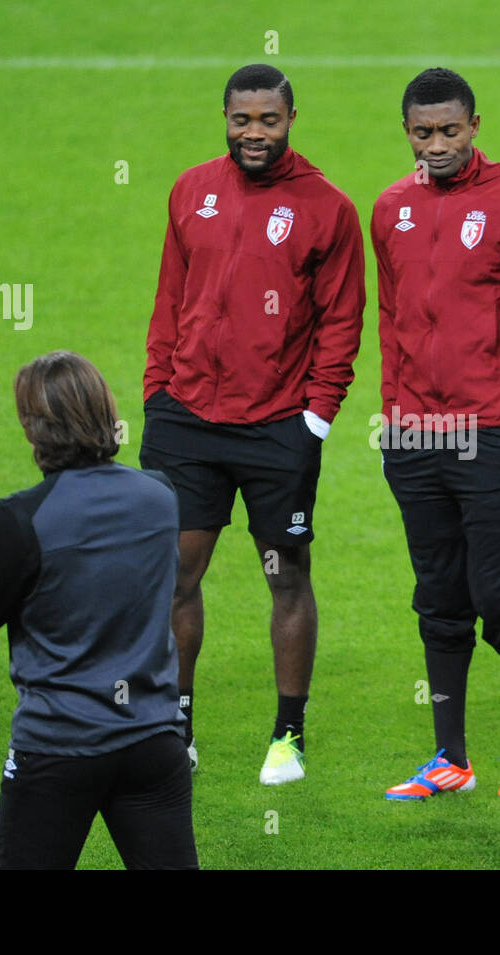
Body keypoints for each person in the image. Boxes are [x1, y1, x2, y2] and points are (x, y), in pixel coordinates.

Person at [140, 64, 365, 784]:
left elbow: (342, 322)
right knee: (174, 572)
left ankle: (287, 735)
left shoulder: (327, 208)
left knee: (286, 575)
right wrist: (156, 391)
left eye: (268, 119)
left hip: (277, 425)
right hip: (186, 416)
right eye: (242, 119)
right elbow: (170, 296)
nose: (254, 133)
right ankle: (176, 725)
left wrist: (315, 421)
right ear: (226, 118)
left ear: (292, 117)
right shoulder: (191, 189)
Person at [373, 68, 500, 801]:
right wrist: (394, 413)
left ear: (475, 126)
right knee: (438, 596)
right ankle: (449, 757)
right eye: (423, 133)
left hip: (499, 435)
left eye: (449, 131)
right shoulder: (390, 208)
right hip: (417, 436)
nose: (436, 145)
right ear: (406, 132)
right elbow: (392, 320)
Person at [0, 352, 197, 869]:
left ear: (35, 430)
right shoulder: (160, 496)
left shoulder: (21, 518)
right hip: (153, 743)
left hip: (57, 747)